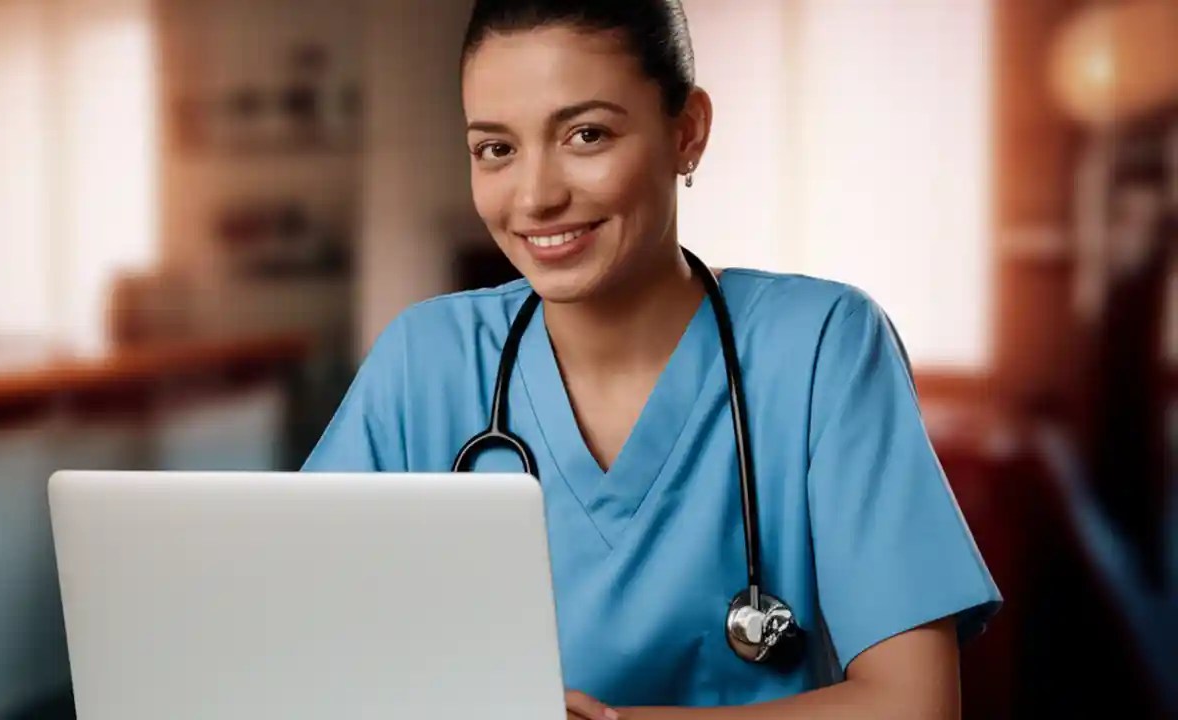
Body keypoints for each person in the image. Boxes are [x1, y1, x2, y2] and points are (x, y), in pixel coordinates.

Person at [302, 1, 1001, 717]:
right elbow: (296, 647)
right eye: (496, 149)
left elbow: (912, 706)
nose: (537, 197)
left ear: (686, 132)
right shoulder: (426, 363)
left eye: (586, 134)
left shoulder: (823, 348)